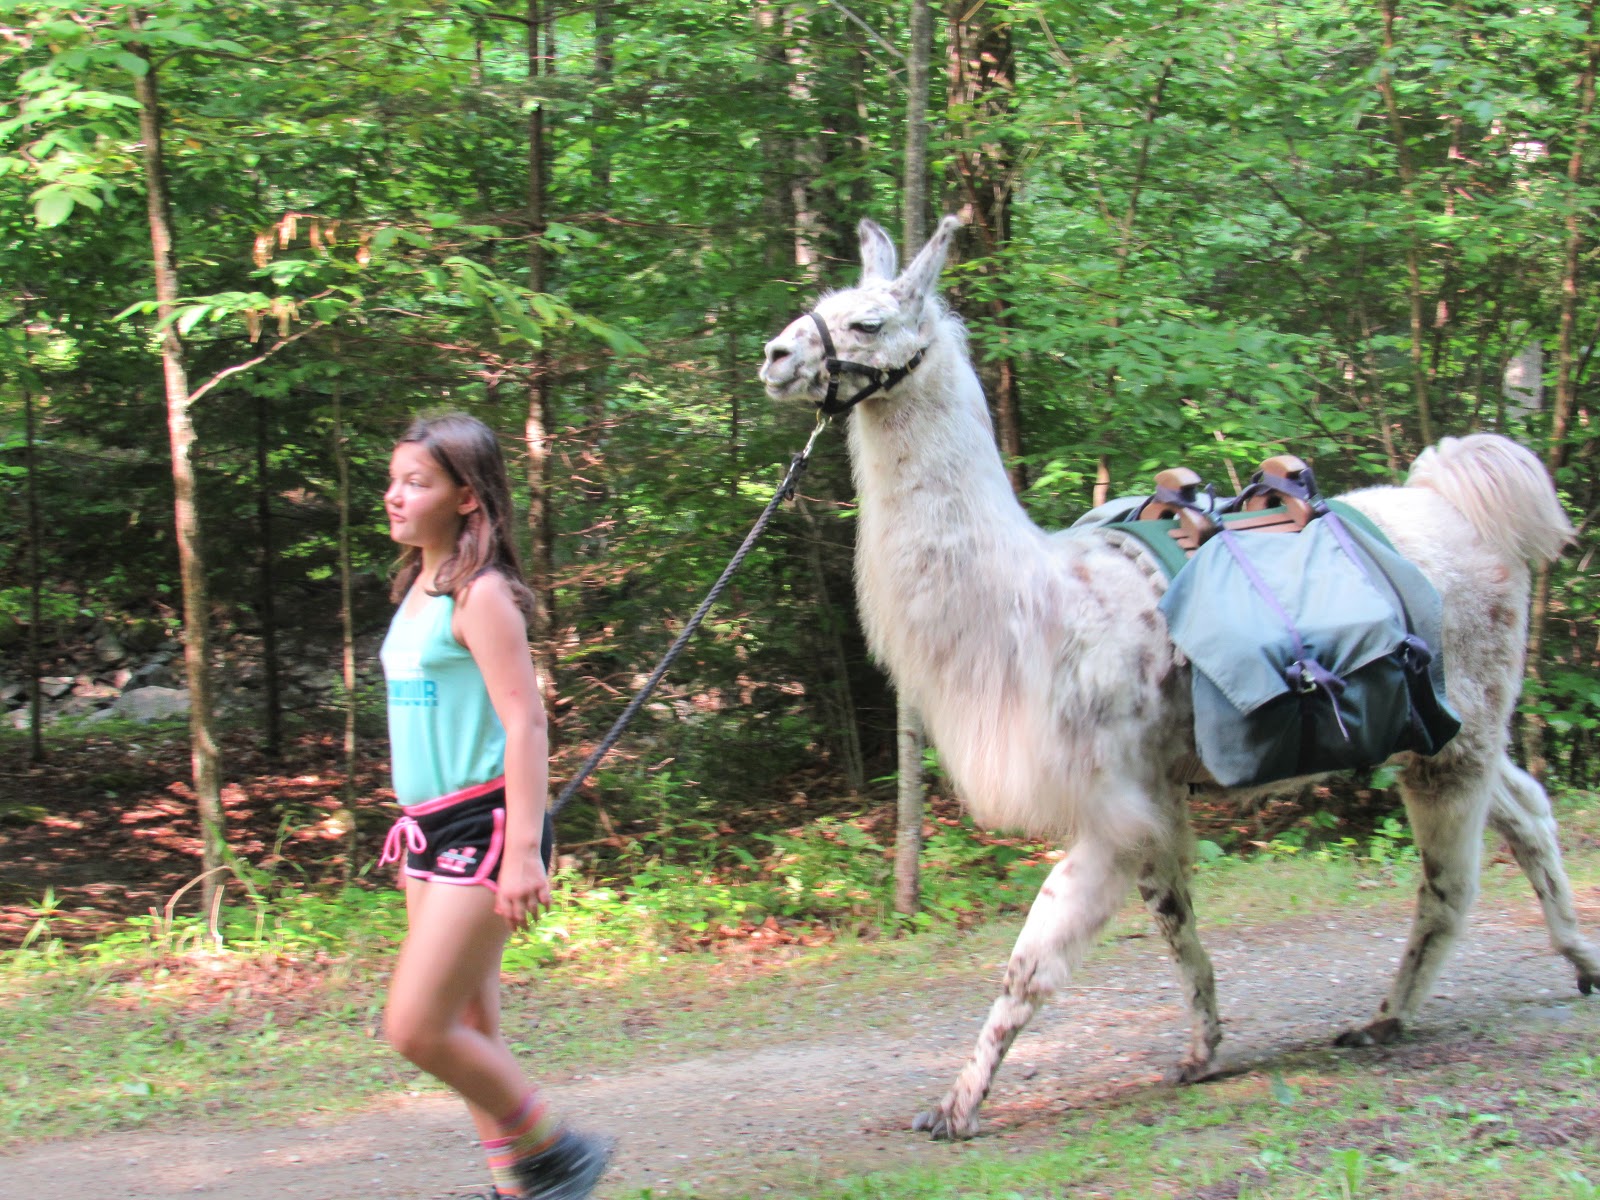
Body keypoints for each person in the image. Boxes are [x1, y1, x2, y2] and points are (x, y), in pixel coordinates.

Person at [377, 412, 611, 1200]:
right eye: (394, 480)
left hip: (486, 827)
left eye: (418, 483)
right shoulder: (418, 586)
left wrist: (521, 853)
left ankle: (554, 1149)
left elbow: (526, 722)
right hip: (429, 830)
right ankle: (520, 1189)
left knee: (413, 1026)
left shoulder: (481, 596)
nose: (395, 497)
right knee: (469, 1029)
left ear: (468, 497)